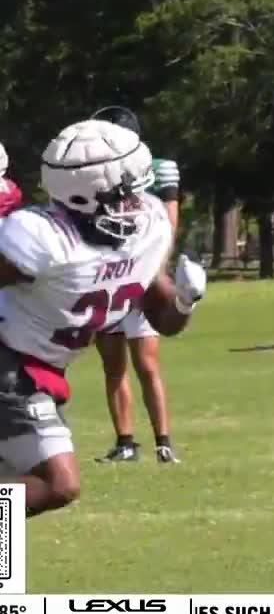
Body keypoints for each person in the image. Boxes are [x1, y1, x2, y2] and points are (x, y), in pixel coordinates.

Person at [0, 119, 206, 516]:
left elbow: (163, 320)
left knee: (10, 487)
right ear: (84, 196)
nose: (138, 203)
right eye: (125, 193)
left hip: (41, 370)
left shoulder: (145, 229)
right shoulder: (43, 238)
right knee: (58, 483)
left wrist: (184, 300)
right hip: (11, 365)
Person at [88, 106, 183, 464]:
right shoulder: (92, 174)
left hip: (141, 277)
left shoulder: (158, 168)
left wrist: (154, 267)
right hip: (109, 277)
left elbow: (170, 222)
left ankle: (163, 440)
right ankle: (125, 441)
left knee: (147, 365)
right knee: (113, 367)